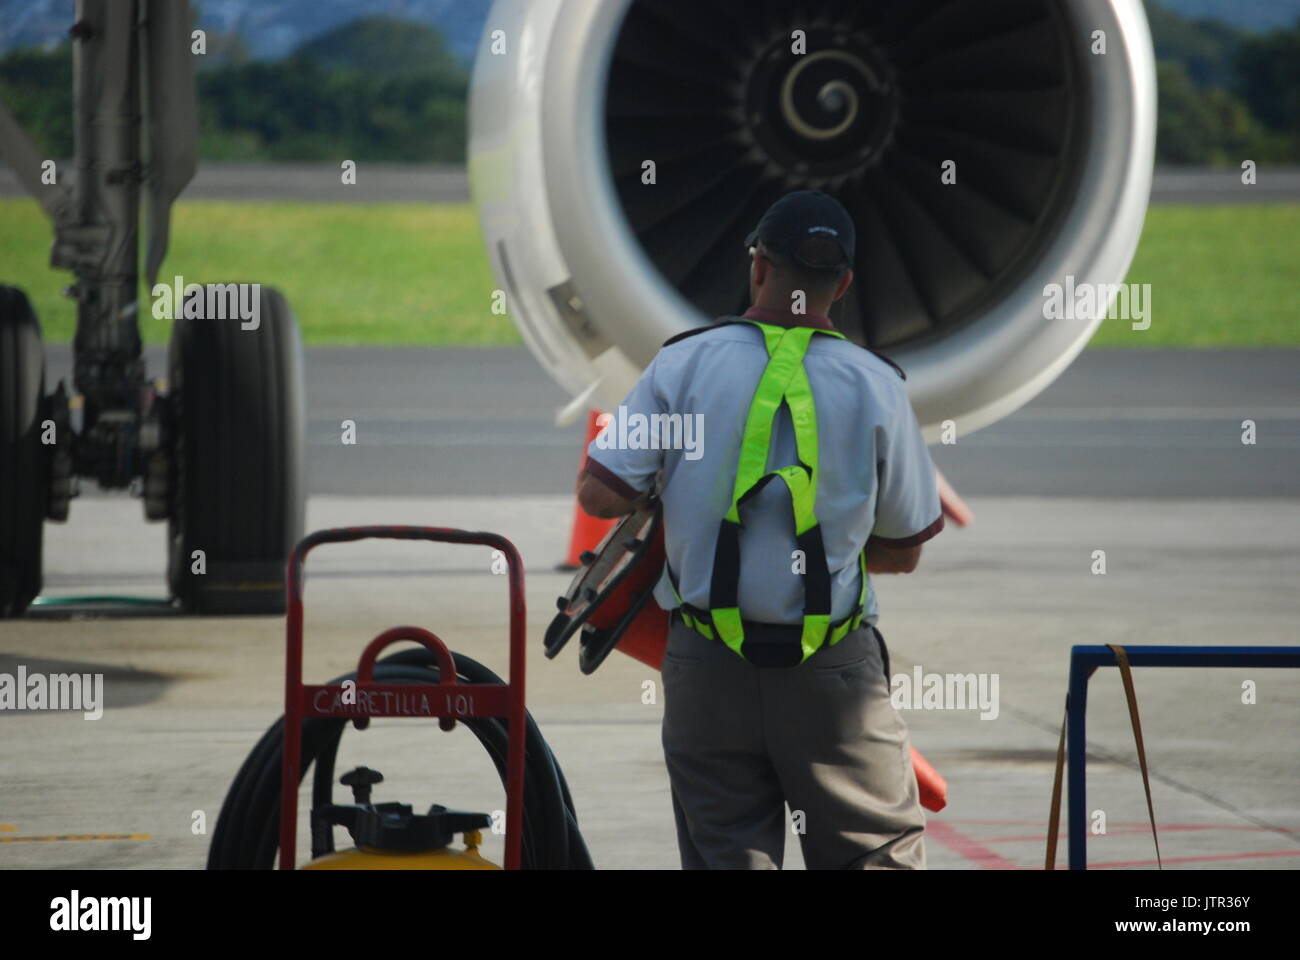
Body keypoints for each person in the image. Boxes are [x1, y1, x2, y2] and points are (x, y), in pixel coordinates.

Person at [578, 190, 944, 869]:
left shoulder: (680, 364)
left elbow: (599, 495)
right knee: (875, 854)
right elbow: (906, 547)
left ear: (757, 267)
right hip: (831, 672)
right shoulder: (877, 385)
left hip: (706, 666)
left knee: (726, 856)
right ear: (843, 284)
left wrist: (682, 498)